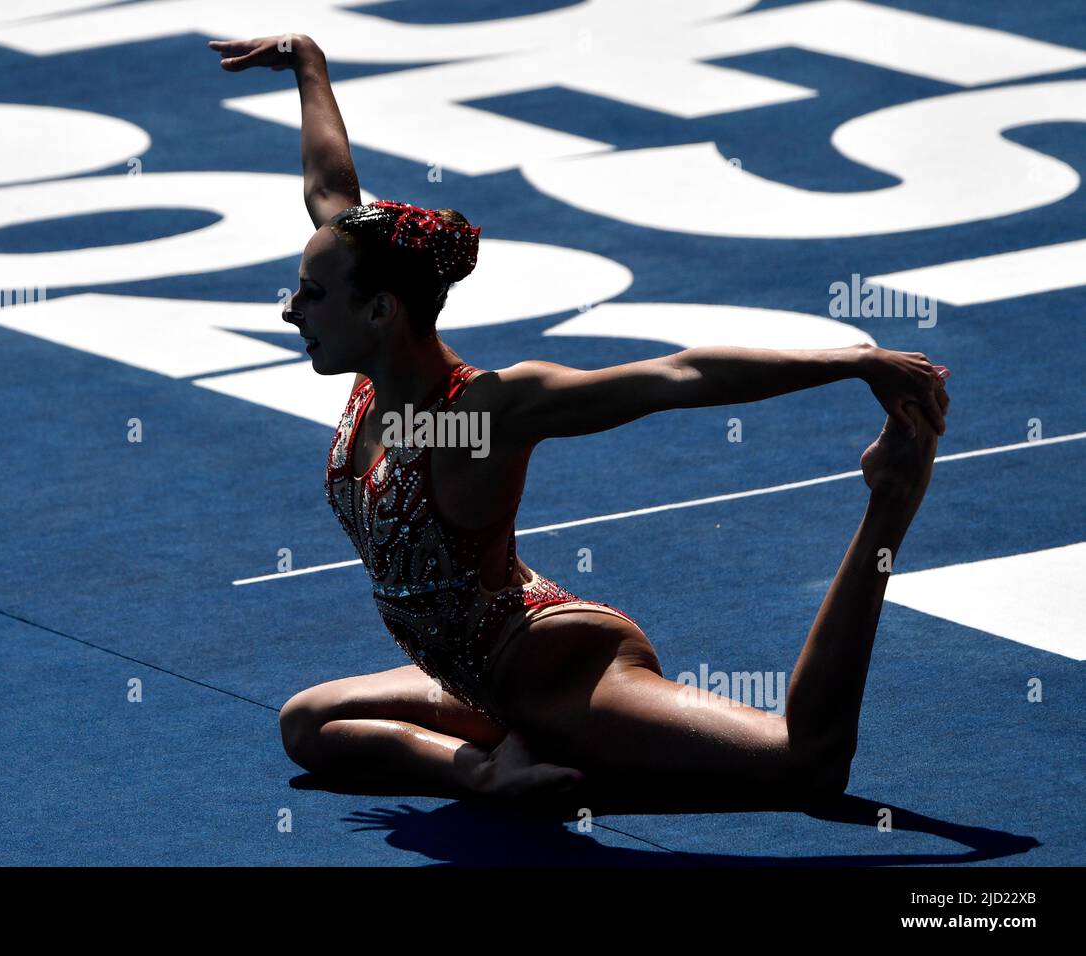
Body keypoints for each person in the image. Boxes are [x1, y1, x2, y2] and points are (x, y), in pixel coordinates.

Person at [210, 33, 951, 806]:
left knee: (805, 764)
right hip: (468, 679)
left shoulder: (487, 410)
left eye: (310, 295)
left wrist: (855, 361)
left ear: (382, 309)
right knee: (307, 724)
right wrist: (308, 64)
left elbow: (680, 375)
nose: (292, 309)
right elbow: (331, 191)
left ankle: (891, 501)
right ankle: (486, 768)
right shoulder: (372, 349)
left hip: (555, 670)